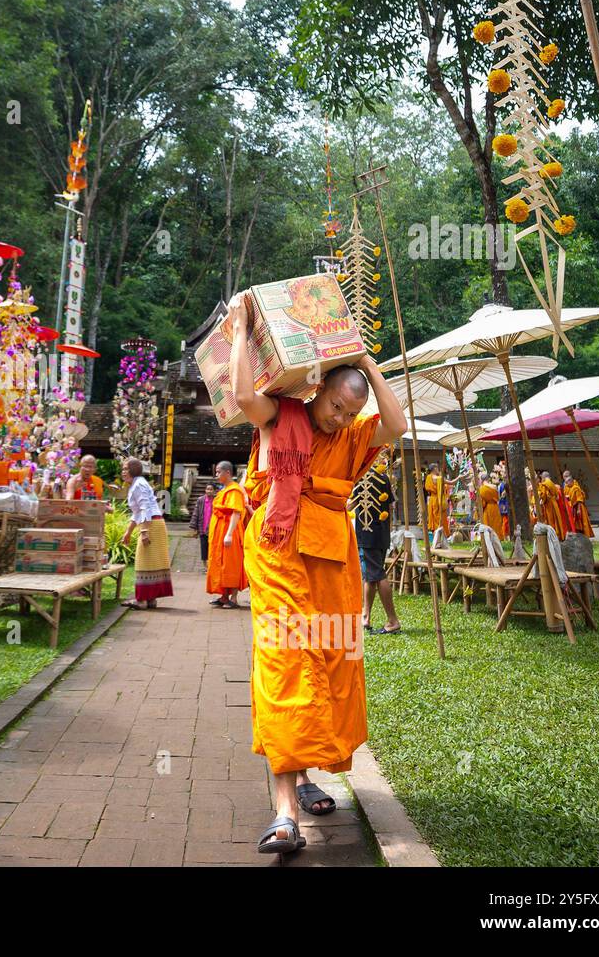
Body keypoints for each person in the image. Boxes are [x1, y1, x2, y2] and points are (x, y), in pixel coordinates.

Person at [229, 291, 407, 856]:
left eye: (350, 413)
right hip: (281, 554)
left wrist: (369, 367)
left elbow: (396, 425)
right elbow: (239, 396)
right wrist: (239, 330)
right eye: (335, 406)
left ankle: (306, 779)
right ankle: (284, 812)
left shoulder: (352, 436)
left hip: (332, 562)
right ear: (318, 389)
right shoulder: (282, 416)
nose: (340, 419)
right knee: (285, 665)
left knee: (328, 665)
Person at [351, 458, 400, 634]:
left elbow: (351, 503)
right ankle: (366, 616)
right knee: (371, 575)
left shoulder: (360, 476)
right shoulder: (383, 476)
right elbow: (391, 505)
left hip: (367, 534)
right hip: (382, 532)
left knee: (377, 574)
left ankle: (393, 620)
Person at [121, 458, 173, 610]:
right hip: (152, 523)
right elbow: (137, 512)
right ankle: (150, 599)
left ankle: (142, 600)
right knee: (151, 561)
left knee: (143, 561)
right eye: (123, 469)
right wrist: (128, 532)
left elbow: (145, 508)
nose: (123, 472)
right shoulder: (137, 484)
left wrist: (144, 532)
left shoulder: (138, 484)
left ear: (133, 470)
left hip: (152, 525)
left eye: (125, 469)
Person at [206, 461, 249, 609]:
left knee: (232, 564)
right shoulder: (225, 490)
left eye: (218, 472)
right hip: (220, 532)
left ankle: (234, 598)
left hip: (230, 531)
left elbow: (236, 512)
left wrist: (229, 534)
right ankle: (224, 596)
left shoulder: (235, 490)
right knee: (220, 563)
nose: (216, 475)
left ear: (228, 473)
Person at [189, 481, 217, 566]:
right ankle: (205, 565)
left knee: (212, 548)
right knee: (204, 548)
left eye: (211, 489)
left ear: (214, 491)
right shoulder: (200, 500)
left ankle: (212, 565)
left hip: (213, 529)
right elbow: (195, 513)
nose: (209, 491)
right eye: (207, 489)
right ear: (205, 490)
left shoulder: (217, 500)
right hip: (202, 528)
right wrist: (194, 528)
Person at [535, 470, 567, 539]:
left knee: (551, 520)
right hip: (554, 504)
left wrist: (540, 498)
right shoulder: (553, 484)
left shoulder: (544, 484)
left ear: (543, 477)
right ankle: (558, 535)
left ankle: (551, 536)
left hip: (549, 505)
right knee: (556, 520)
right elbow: (557, 496)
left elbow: (543, 495)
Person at [562, 469, 594, 537]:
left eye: (567, 482)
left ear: (570, 480)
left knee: (582, 521)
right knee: (574, 522)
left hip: (579, 507)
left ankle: (584, 535)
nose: (566, 483)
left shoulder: (576, 487)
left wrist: (579, 509)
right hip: (572, 507)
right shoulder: (567, 487)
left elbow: (579, 499)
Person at [424, 462, 449, 537]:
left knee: (435, 518)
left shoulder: (429, 477)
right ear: (434, 469)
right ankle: (439, 537)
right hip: (437, 500)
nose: (438, 469)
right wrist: (459, 478)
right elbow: (450, 482)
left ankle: (437, 537)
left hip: (432, 499)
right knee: (438, 519)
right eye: (437, 468)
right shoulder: (438, 478)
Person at [478, 470, 504, 537]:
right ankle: (498, 537)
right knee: (496, 524)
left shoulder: (482, 488)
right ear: (488, 479)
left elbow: (482, 503)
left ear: (481, 480)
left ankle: (488, 538)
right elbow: (498, 497)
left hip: (487, 508)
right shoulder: (494, 486)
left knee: (488, 524)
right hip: (495, 507)